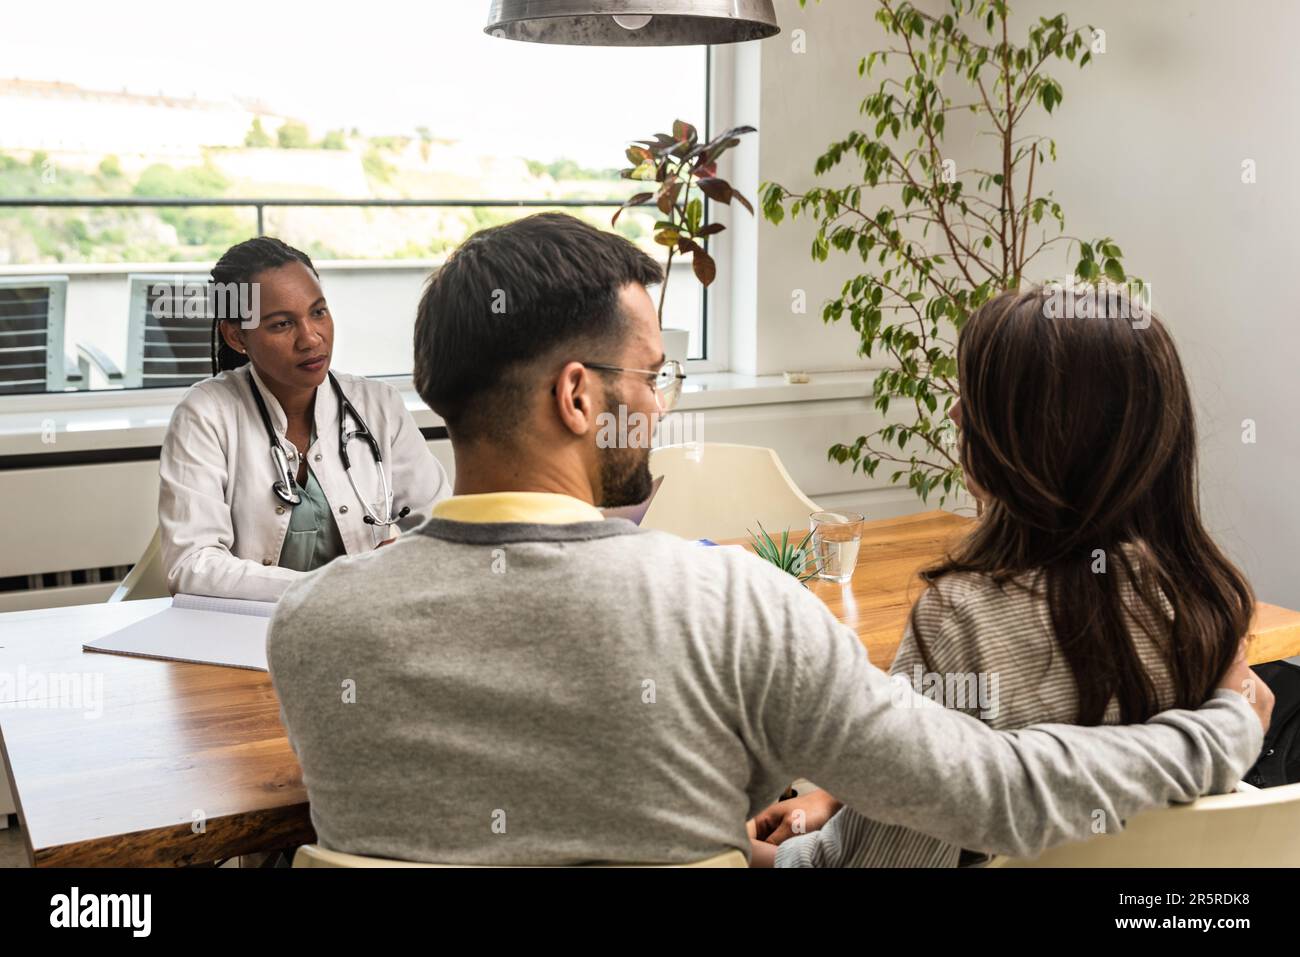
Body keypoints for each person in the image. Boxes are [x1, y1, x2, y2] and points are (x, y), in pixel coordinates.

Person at [266, 213, 1269, 865]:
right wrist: (1221, 731)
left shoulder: (309, 628)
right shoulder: (742, 609)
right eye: (652, 376)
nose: (660, 404)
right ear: (578, 396)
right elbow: (989, 792)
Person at [749, 285, 1263, 866]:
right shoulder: (1208, 600)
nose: (954, 413)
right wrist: (847, 799)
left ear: (1038, 436)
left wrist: (739, 857)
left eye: (976, 397)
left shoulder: (962, 621)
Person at [157, 237, 449, 601]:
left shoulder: (379, 406)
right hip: (247, 636)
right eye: (281, 325)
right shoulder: (205, 414)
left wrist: (399, 561)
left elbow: (442, 531)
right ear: (236, 336)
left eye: (318, 312)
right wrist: (337, 584)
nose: (310, 339)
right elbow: (191, 565)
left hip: (366, 626)